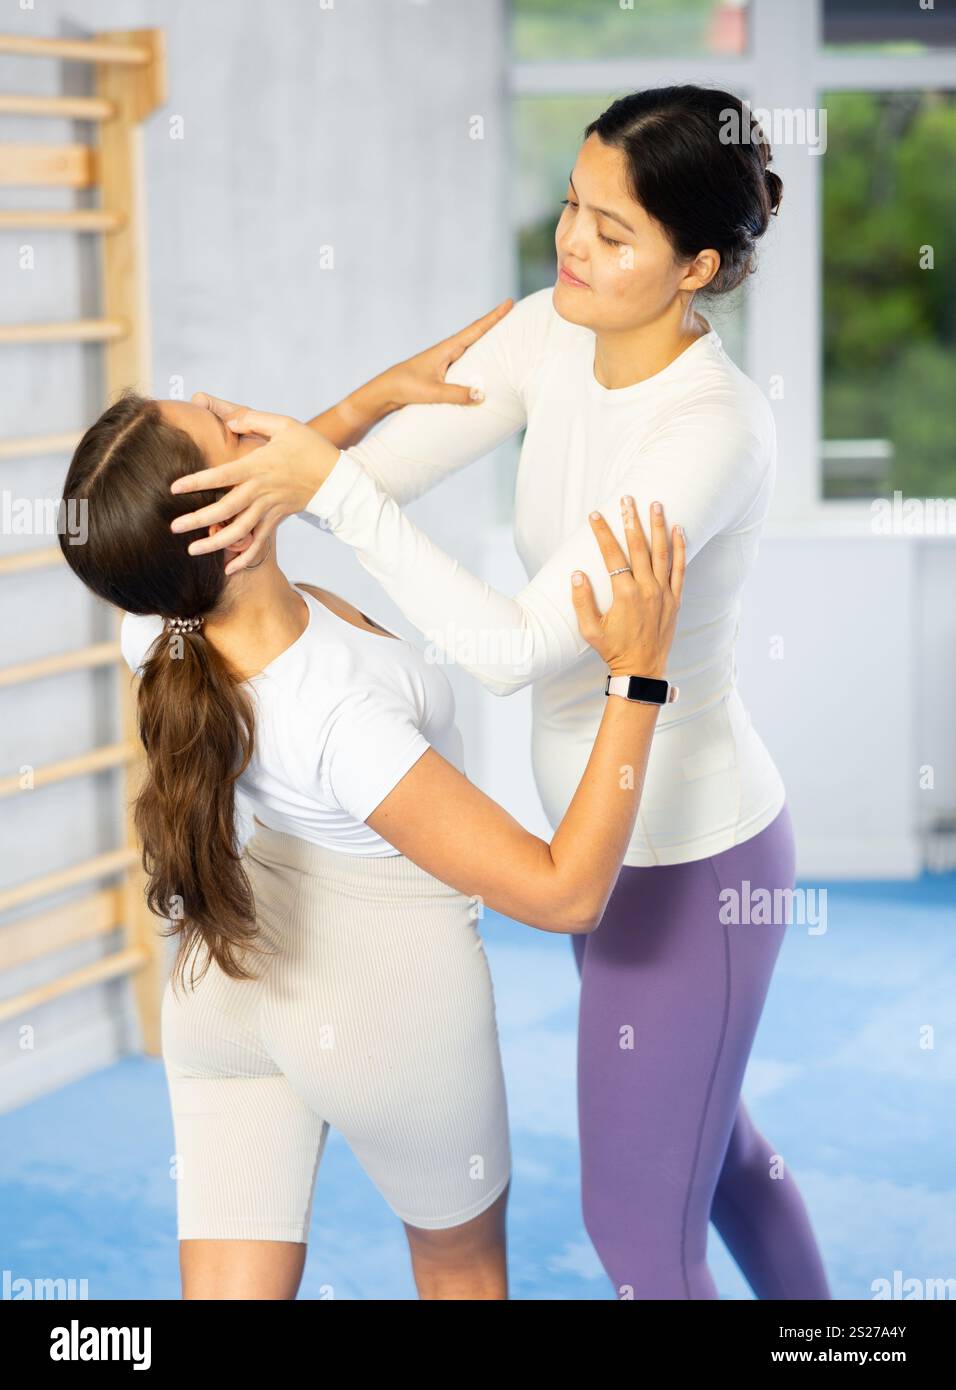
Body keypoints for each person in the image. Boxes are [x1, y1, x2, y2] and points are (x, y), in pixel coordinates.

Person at [169, 86, 831, 1300]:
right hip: (600, 831)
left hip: (688, 856)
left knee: (636, 1231)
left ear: (695, 266)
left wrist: (336, 485)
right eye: (573, 206)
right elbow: (366, 479)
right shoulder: (545, 329)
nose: (572, 244)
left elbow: (520, 645)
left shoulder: (708, 432)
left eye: (613, 231)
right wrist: (328, 443)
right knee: (716, 1150)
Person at [57, 377, 683, 1300]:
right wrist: (639, 675)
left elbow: (286, 474)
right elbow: (563, 894)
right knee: (459, 1273)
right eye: (225, 427)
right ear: (231, 522)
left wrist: (384, 393)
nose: (232, 406)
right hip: (386, 1003)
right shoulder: (341, 719)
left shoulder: (159, 623)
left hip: (222, 989)